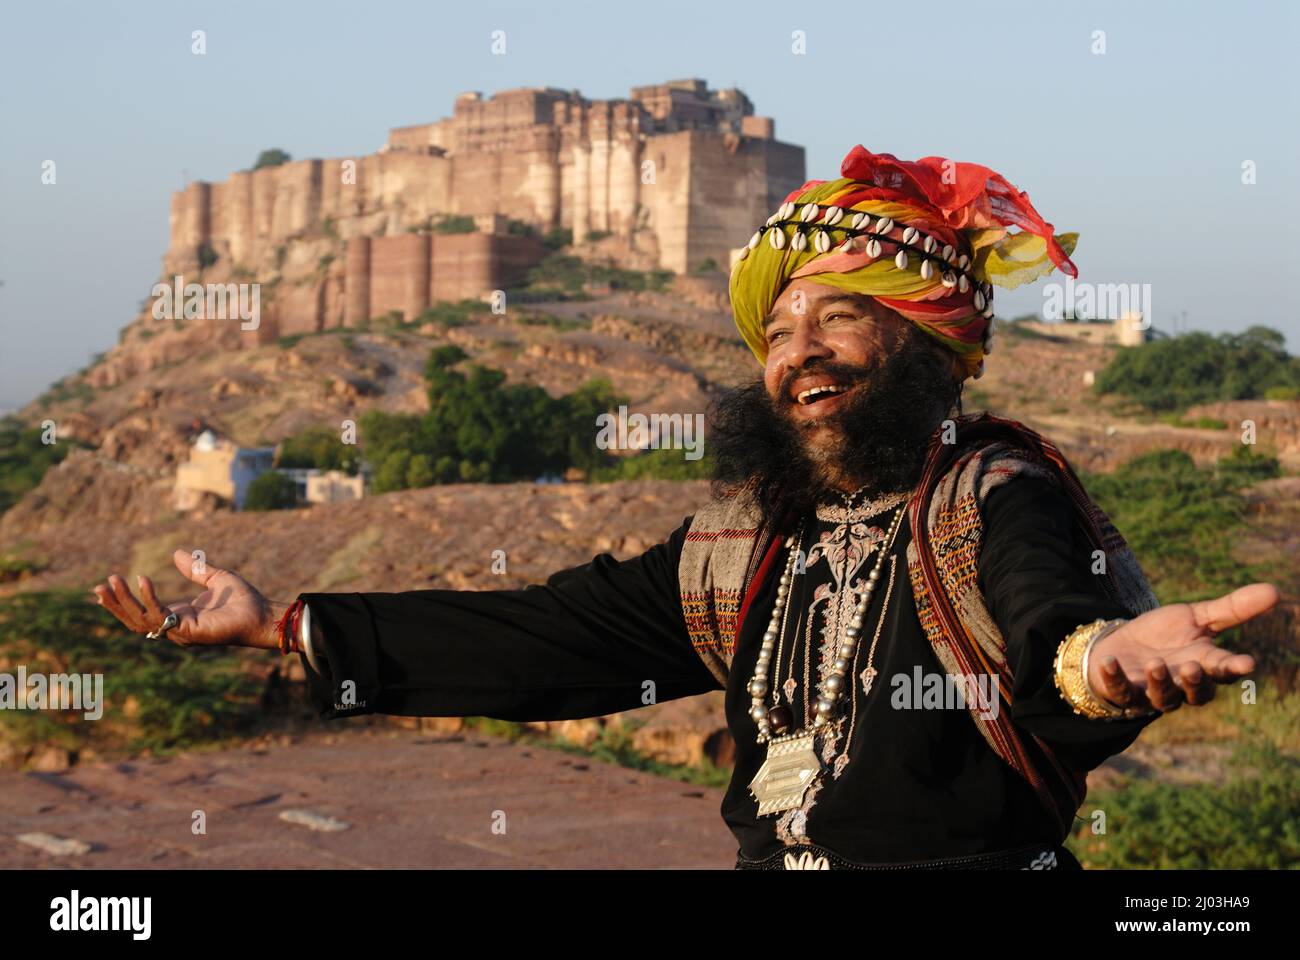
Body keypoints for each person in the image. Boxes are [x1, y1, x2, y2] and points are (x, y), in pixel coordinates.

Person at [93, 145, 1279, 870]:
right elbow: (550, 639)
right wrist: (283, 626)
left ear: (922, 345)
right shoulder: (745, 546)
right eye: (777, 330)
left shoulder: (994, 495)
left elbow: (1048, 623)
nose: (797, 353)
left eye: (837, 318)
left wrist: (1105, 657)